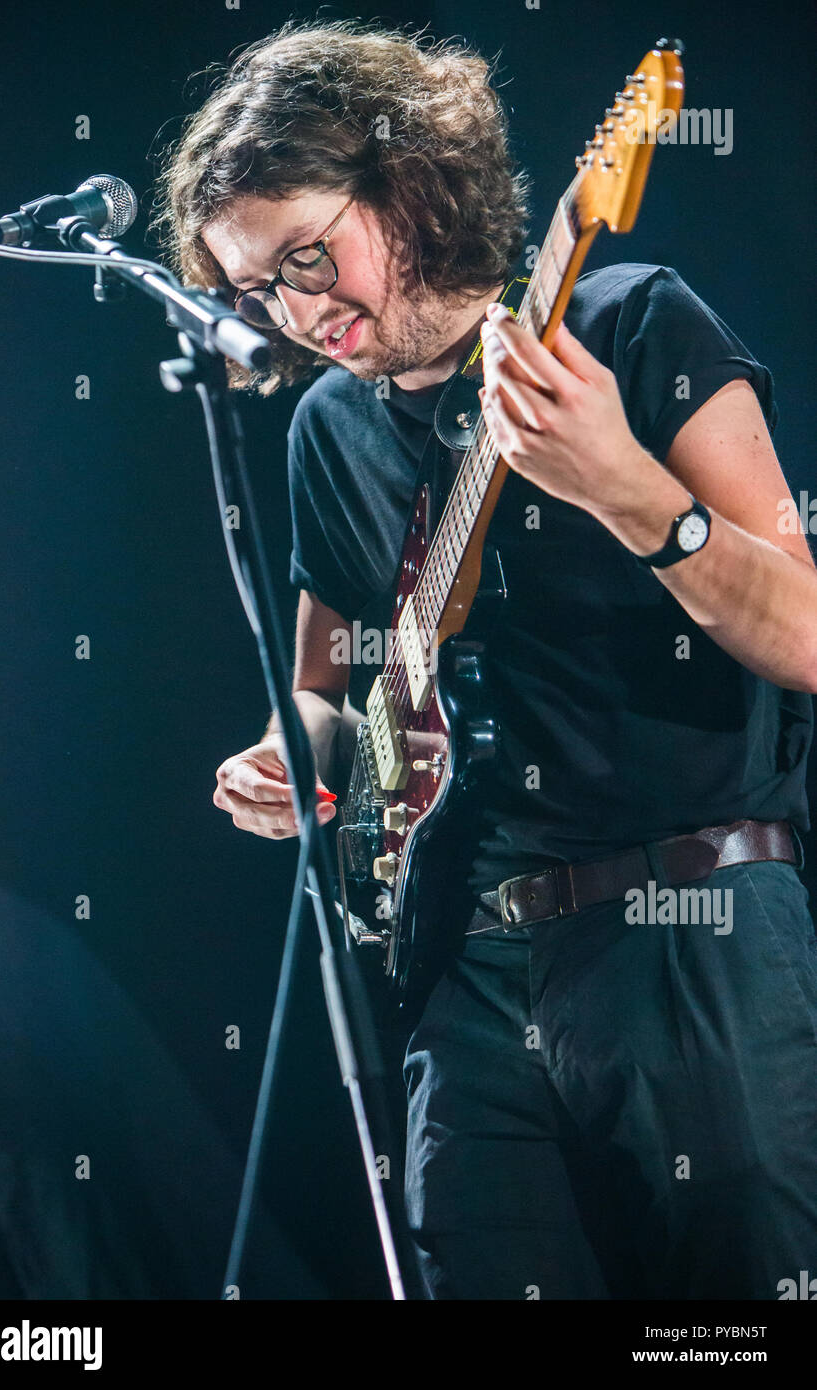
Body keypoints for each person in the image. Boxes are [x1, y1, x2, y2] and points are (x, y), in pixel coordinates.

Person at [155, 20, 817, 1299]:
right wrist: (292, 753)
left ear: (405, 184)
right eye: (253, 292)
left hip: (692, 931)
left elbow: (804, 631)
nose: (294, 311)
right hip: (465, 977)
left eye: (307, 255)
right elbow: (330, 686)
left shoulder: (628, 323)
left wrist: (629, 490)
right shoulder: (326, 434)